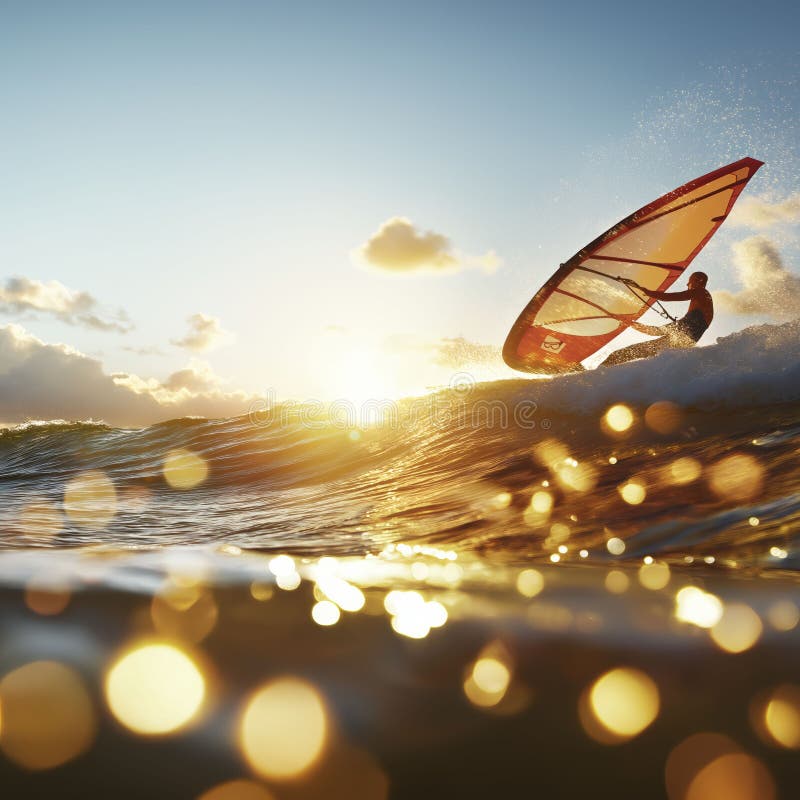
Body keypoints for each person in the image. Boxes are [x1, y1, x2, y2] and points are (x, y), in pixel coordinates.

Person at [598, 272, 713, 367]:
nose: (687, 284)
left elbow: (671, 297)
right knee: (631, 357)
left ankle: (595, 375)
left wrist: (648, 292)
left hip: (673, 346)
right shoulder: (701, 308)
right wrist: (631, 324)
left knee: (618, 355)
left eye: (690, 280)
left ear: (698, 281)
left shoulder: (701, 293)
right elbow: (655, 331)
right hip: (678, 349)